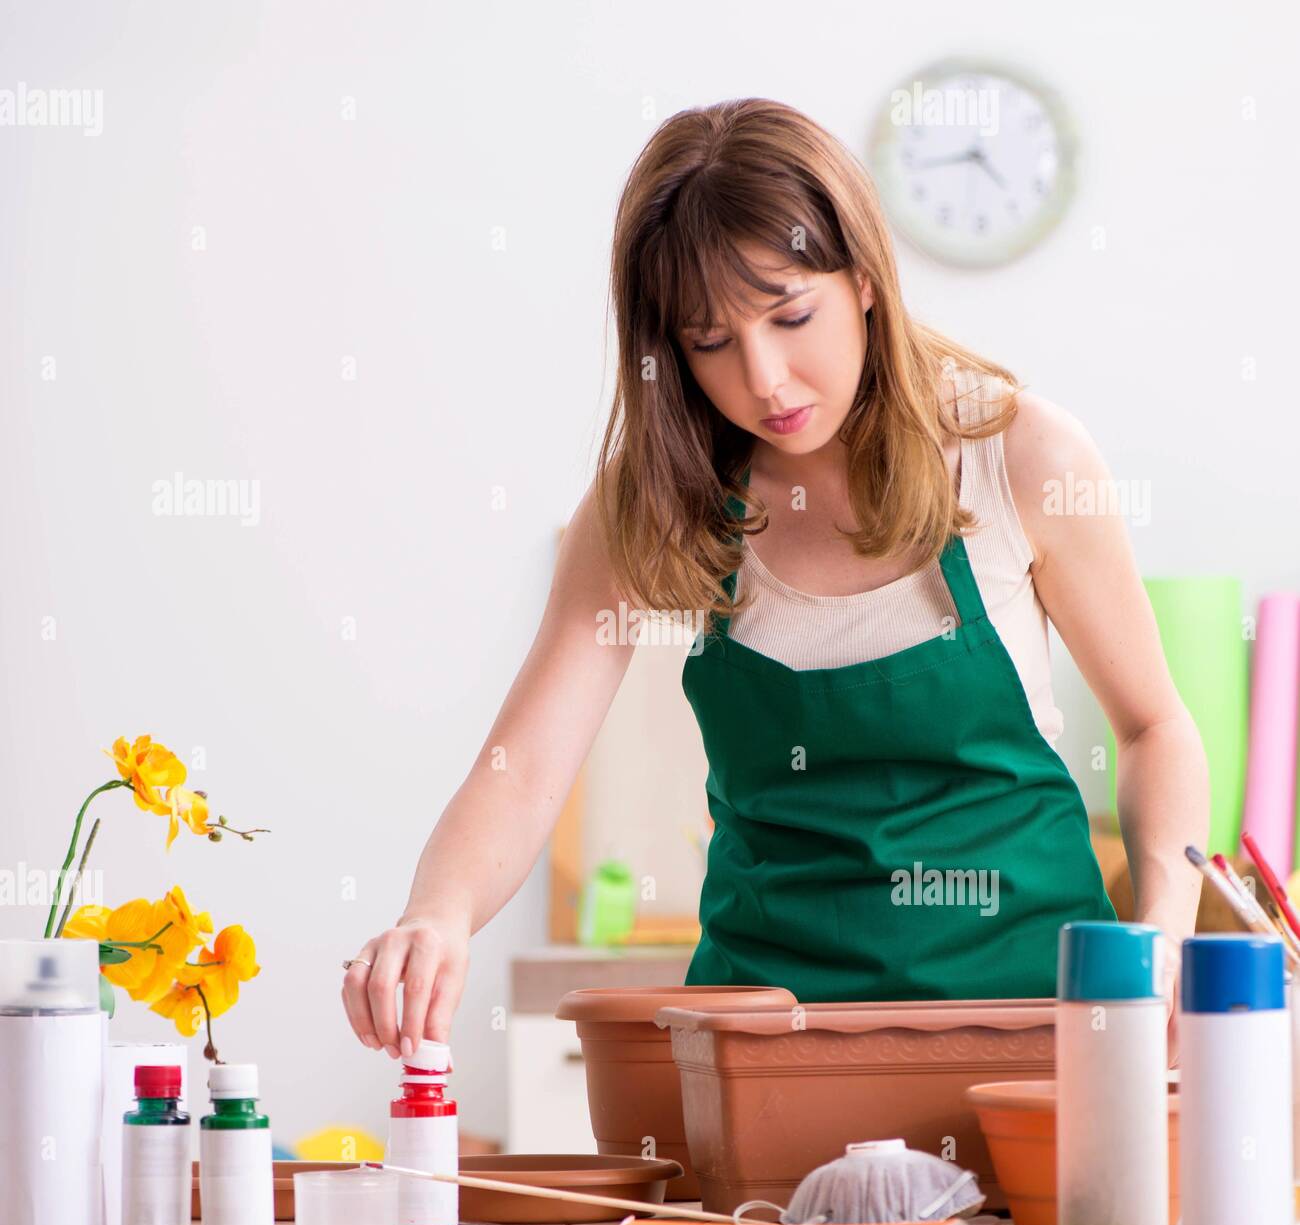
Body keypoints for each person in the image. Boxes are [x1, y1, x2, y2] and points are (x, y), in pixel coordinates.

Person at [342, 97, 1206, 1067]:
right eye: (710, 341)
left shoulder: (1019, 456)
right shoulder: (655, 500)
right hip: (765, 1058)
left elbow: (1152, 728)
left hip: (1030, 1039)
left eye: (791, 315)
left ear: (866, 279)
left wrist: (1166, 933)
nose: (766, 380)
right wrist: (437, 912)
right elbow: (526, 767)